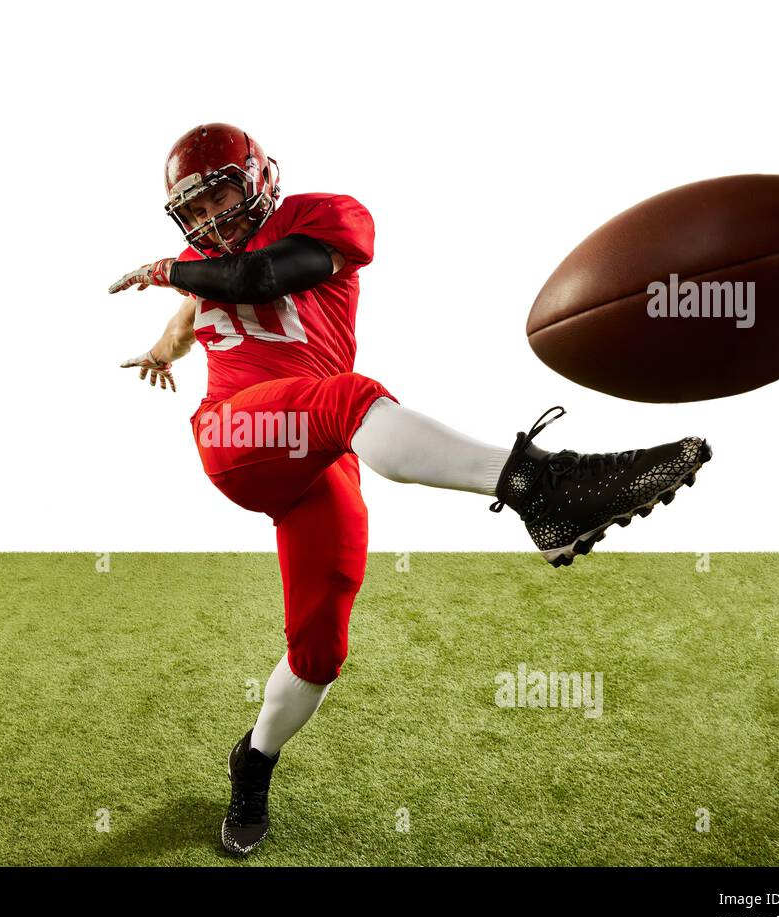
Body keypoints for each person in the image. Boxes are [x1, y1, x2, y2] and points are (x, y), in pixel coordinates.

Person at [108, 123, 711, 856]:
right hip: (239, 439)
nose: (210, 220)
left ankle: (253, 760)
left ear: (259, 177)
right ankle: (541, 485)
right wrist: (159, 350)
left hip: (325, 456)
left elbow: (262, 278)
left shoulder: (326, 219)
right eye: (193, 211)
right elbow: (186, 322)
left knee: (320, 649)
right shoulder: (197, 272)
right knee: (346, 397)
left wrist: (171, 270)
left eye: (221, 195)